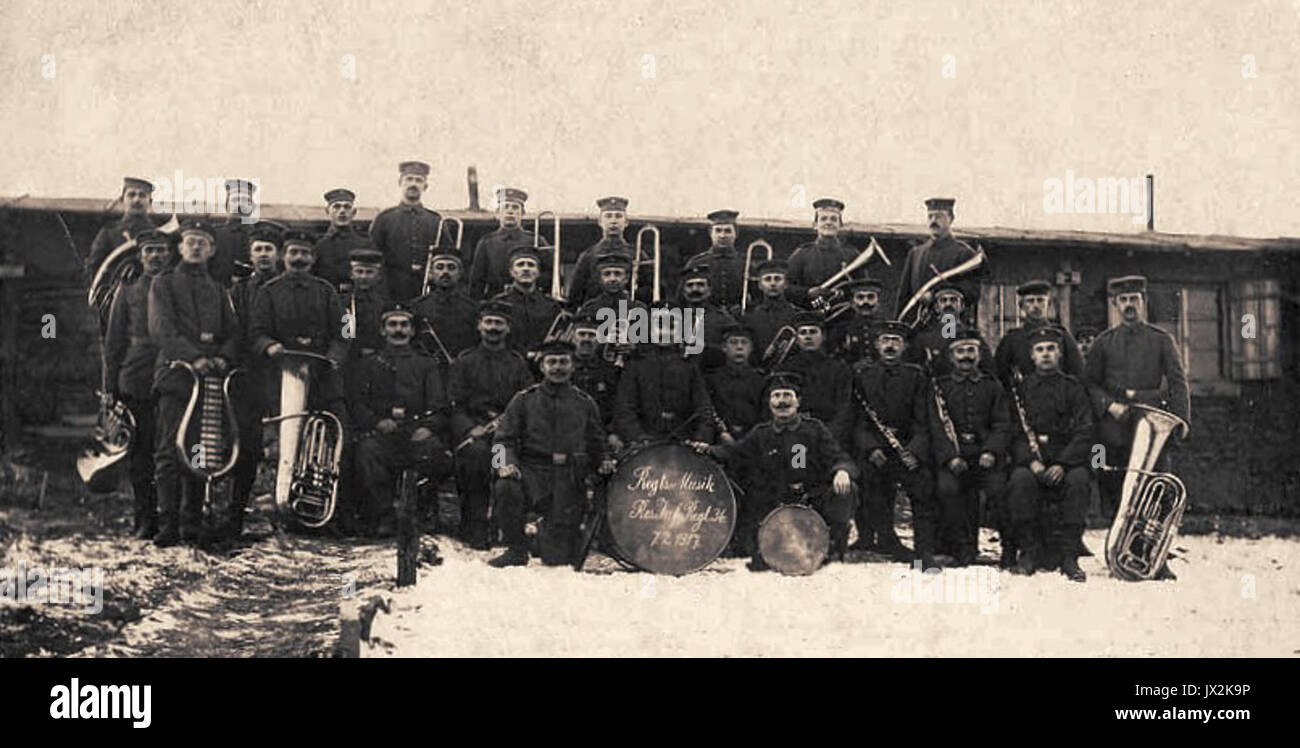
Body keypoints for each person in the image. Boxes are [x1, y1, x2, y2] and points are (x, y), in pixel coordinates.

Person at [695, 371, 858, 568]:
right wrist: (708, 450)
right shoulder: (761, 433)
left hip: (812, 498)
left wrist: (842, 471)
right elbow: (735, 455)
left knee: (846, 490)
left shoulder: (815, 429)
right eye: (777, 396)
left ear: (798, 401)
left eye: (787, 395)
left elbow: (840, 457)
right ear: (769, 402)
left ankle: (834, 546)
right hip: (773, 501)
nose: (782, 402)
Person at [147, 220, 242, 546]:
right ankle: (168, 524)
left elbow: (233, 332)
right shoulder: (164, 283)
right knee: (170, 451)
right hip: (178, 377)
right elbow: (162, 329)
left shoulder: (218, 289)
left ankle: (192, 522)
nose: (197, 247)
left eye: (203, 242)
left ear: (211, 249)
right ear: (180, 247)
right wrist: (194, 357)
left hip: (211, 381)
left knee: (201, 449)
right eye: (191, 241)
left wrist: (223, 357)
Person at [488, 340, 615, 567]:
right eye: (552, 362)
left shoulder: (585, 403)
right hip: (532, 472)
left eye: (563, 362)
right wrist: (504, 464)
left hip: (569, 478)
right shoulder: (524, 400)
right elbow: (501, 440)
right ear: (542, 367)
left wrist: (604, 460)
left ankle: (541, 538)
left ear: (573, 366)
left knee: (558, 559)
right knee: (505, 487)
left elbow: (598, 441)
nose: (558, 367)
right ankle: (515, 548)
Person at [1083, 275, 1190, 525]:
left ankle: (1156, 559)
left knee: (1159, 488)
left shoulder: (1162, 340)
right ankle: (1118, 550)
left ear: (1143, 302)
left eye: (1134, 298)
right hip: (1111, 431)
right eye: (1123, 300)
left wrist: (1182, 421)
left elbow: (1178, 382)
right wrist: (1109, 405)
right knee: (1111, 484)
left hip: (1153, 427)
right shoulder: (1103, 342)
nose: (1129, 304)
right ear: (1115, 305)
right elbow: (1089, 383)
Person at [350, 303, 454, 536]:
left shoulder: (427, 364)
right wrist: (376, 422)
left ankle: (422, 511)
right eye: (392, 324)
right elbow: (356, 403)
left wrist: (427, 428)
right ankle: (383, 515)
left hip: (416, 431)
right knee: (367, 452)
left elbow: (439, 405)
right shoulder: (368, 364)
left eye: (404, 325)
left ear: (412, 331)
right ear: (382, 330)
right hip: (381, 433)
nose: (398, 330)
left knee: (436, 453)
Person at [1005, 326, 1094, 581]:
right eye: (1039, 350)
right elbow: (1013, 432)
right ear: (1032, 356)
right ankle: (1029, 551)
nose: (1046, 355)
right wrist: (1031, 462)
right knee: (1020, 480)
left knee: (1079, 481)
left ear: (1060, 354)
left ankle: (1069, 556)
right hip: (1032, 461)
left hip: (1066, 461)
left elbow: (1085, 431)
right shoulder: (1020, 391)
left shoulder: (1074, 388)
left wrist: (1064, 464)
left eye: (1051, 349)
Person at [447, 301, 536, 548]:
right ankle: (474, 523)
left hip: (506, 435)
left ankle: (501, 523)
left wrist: (507, 425)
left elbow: (527, 399)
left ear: (508, 328)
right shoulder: (464, 361)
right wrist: (468, 428)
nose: (493, 328)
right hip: (475, 431)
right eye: (489, 322)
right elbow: (454, 404)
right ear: (479, 326)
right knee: (475, 458)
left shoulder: (517, 363)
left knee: (501, 462)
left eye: (499, 323)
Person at [103, 228, 173, 538]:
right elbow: (113, 342)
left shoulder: (177, 289)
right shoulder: (127, 292)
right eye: (150, 251)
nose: (156, 256)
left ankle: (174, 517)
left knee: (170, 450)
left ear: (169, 254)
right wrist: (110, 386)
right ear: (141, 256)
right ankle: (145, 518)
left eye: (161, 250)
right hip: (137, 377)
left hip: (174, 374)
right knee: (141, 453)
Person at [850, 320, 935, 567]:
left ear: (904, 346)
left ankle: (923, 552)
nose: (890, 346)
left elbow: (923, 420)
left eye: (895, 341)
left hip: (908, 449)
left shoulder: (917, 376)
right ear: (877, 345)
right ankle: (887, 540)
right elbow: (858, 421)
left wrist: (915, 451)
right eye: (885, 340)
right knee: (872, 486)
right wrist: (871, 448)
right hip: (878, 449)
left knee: (922, 489)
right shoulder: (863, 377)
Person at [930, 327, 1010, 566]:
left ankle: (1010, 548)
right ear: (952, 357)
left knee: (999, 490)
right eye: (960, 351)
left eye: (971, 350)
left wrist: (991, 451)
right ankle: (961, 548)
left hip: (985, 456)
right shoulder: (940, 387)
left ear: (980, 354)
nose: (966, 356)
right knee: (947, 489)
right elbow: (935, 426)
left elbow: (1002, 423)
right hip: (954, 457)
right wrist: (950, 457)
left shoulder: (993, 386)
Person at [226, 222, 285, 539]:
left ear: (278, 254)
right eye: (258, 249)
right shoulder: (239, 291)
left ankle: (284, 510)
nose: (264, 255)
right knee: (247, 446)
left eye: (269, 249)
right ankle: (235, 513)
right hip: (249, 377)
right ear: (251, 255)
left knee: (285, 445)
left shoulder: (289, 286)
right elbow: (234, 331)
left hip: (282, 377)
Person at [612, 307, 714, 445]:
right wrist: (638, 437)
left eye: (671, 327)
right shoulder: (635, 366)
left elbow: (703, 408)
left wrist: (701, 439)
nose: (665, 333)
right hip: (644, 441)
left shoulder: (690, 367)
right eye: (659, 326)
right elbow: (625, 409)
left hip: (684, 442)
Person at [895, 197, 981, 320]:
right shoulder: (916, 253)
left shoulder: (964, 254)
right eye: (930, 217)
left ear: (951, 219)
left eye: (939, 216)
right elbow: (904, 295)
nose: (933, 221)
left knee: (947, 337)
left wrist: (936, 295)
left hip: (950, 322)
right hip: (918, 326)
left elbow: (972, 293)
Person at [775, 311, 853, 445]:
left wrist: (829, 436)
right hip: (794, 436)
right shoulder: (785, 368)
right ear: (797, 338)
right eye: (803, 333)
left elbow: (844, 408)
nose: (808, 337)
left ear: (823, 336)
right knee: (798, 463)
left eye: (813, 332)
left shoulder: (839, 369)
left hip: (829, 435)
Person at [370, 161, 442, 301]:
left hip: (427, 290)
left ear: (425, 186)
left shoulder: (435, 220)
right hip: (392, 289)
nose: (413, 184)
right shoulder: (384, 219)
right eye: (409, 179)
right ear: (400, 183)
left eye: (418, 180)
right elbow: (374, 258)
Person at [992, 279, 1084, 386]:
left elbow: (1077, 371)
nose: (1036, 306)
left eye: (1040, 300)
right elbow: (1000, 374)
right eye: (1030, 301)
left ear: (1048, 304)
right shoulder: (1011, 340)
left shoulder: (1062, 335)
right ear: (1022, 306)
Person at [466, 187, 550, 299]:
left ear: (522, 213)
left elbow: (549, 274)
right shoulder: (486, 242)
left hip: (528, 299)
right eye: (506, 207)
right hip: (495, 303)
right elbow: (476, 281)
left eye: (515, 208)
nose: (510, 211)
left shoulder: (536, 240)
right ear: (498, 212)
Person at [409, 252, 480, 373]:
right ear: (431, 273)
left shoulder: (472, 308)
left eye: (451, 268)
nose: (445, 272)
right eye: (439, 267)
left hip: (462, 371)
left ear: (460, 274)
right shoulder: (417, 306)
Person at [785, 198, 863, 306]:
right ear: (815, 225)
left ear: (840, 225)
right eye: (823, 219)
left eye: (833, 219)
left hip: (843, 315)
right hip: (810, 315)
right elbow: (786, 286)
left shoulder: (852, 254)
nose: (828, 223)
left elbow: (863, 287)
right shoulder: (802, 254)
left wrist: (844, 293)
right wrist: (808, 292)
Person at [909, 280, 995, 377]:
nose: (948, 304)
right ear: (936, 307)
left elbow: (988, 372)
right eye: (943, 300)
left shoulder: (974, 338)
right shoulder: (923, 339)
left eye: (953, 300)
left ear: (962, 306)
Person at [85, 177, 160, 283]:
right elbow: (94, 268)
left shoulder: (158, 234)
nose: (136, 200)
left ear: (150, 201)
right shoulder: (109, 232)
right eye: (131, 195)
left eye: (142, 195)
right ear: (122, 200)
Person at [490, 245, 562, 353]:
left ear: (538, 272)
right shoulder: (499, 303)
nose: (526, 268)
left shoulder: (550, 306)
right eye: (520, 264)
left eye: (531, 265)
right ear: (512, 272)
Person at [567, 196, 633, 305]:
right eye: (608, 216)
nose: (613, 221)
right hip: (596, 315)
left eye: (618, 216)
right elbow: (576, 293)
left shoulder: (637, 254)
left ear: (626, 222)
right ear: (600, 222)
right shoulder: (588, 255)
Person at [569, 313, 621, 437]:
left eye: (592, 335)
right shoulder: (563, 367)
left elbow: (617, 406)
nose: (586, 339)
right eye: (581, 334)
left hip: (600, 434)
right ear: (572, 337)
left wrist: (612, 432)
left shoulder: (609, 371)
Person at [741, 258, 798, 367]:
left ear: (786, 284)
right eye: (767, 279)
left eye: (777, 279)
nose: (773, 283)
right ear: (760, 285)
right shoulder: (750, 317)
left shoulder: (796, 314)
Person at [683, 210, 746, 307]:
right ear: (711, 233)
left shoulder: (744, 263)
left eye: (728, 231)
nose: (722, 235)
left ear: (736, 234)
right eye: (718, 230)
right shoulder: (696, 262)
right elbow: (684, 296)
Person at [314, 188, 372, 292]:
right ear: (327, 211)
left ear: (354, 212)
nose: (342, 211)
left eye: (347, 207)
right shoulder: (318, 246)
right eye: (336, 207)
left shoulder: (365, 245)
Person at [339, 247, 391, 362]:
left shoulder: (385, 305)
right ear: (351, 274)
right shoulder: (343, 304)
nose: (363, 277)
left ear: (379, 276)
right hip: (349, 360)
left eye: (369, 272)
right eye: (359, 271)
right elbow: (343, 335)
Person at [676, 266, 737, 352]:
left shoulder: (724, 320)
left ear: (709, 290)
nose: (695, 289)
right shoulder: (675, 318)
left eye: (700, 285)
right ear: (683, 291)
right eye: (690, 285)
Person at [210, 178, 259, 286]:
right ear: (226, 206)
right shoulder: (214, 235)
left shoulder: (259, 235)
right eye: (235, 200)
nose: (239, 205)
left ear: (252, 207)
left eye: (245, 201)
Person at [827, 277, 884, 366]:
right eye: (860, 297)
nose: (866, 302)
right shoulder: (841, 329)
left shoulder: (884, 328)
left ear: (878, 301)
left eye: (871, 297)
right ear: (852, 302)